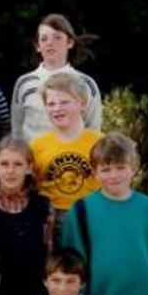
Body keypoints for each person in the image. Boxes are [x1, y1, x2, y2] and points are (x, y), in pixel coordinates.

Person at [60, 131, 148, 295]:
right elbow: (71, 259)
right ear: (95, 172)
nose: (113, 175)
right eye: (105, 169)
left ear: (133, 168)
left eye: (120, 168)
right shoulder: (81, 209)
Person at [0, 136, 54, 295]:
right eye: (4, 164)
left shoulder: (43, 206)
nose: (11, 170)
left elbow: (49, 253)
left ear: (29, 168)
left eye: (18, 164)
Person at [11, 14, 102, 143]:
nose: (50, 43)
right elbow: (17, 132)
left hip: (72, 159)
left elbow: (94, 130)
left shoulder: (86, 84)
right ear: (37, 46)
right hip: (33, 159)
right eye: (44, 39)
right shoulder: (24, 84)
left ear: (69, 42)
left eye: (57, 37)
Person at [29, 72, 104, 228]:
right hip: (50, 219)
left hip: (91, 217)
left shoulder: (100, 143)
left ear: (82, 104)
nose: (57, 108)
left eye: (64, 102)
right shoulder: (36, 146)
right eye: (51, 104)